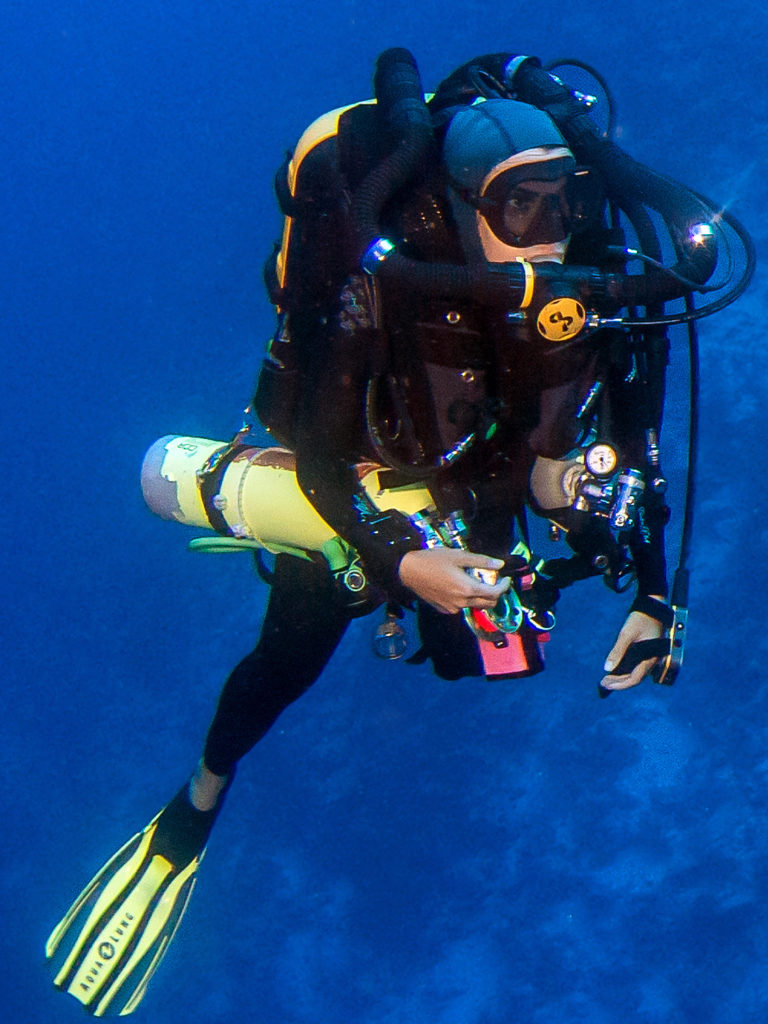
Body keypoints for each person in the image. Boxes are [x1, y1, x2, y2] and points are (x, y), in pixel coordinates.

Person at [46, 48, 744, 1015]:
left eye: (563, 199)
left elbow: (642, 445)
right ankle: (196, 804)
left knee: (486, 641)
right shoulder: (388, 281)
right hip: (377, 483)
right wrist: (401, 556)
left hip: (492, 476)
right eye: (519, 208)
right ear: (462, 207)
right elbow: (328, 463)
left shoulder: (600, 275)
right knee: (293, 648)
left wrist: (658, 593)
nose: (550, 235)